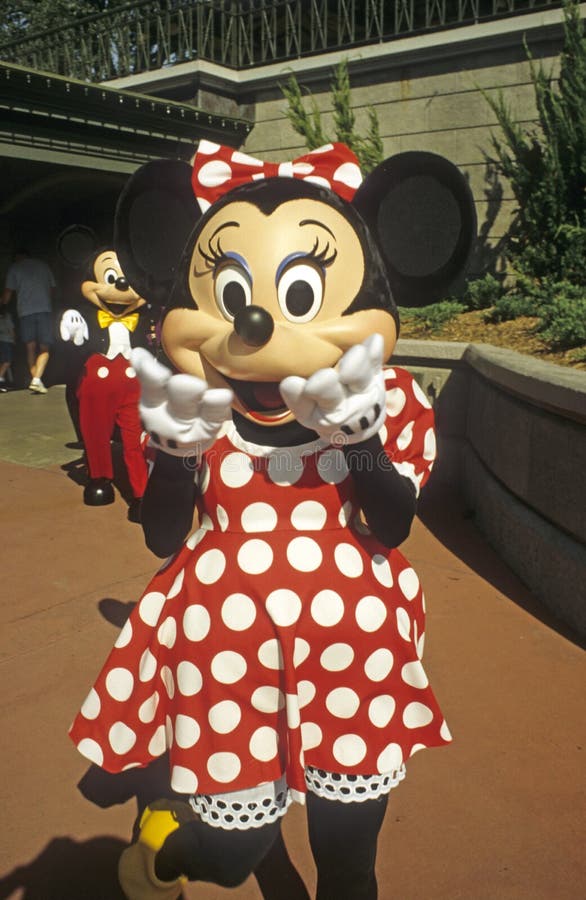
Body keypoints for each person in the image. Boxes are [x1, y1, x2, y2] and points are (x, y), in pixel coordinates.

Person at [69, 142, 475, 899]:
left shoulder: (387, 408)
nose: (253, 324)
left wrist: (360, 444)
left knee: (348, 860)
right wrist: (178, 455)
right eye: (228, 294)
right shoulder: (200, 415)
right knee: (230, 852)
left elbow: (392, 526)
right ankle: (172, 840)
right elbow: (162, 536)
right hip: (224, 660)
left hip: (355, 662)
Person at [1, 249, 56, 394]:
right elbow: (52, 290)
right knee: (45, 348)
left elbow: (7, 296)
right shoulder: (44, 266)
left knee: (30, 348)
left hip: (25, 312)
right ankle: (37, 380)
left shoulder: (15, 268)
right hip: (44, 309)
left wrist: (2, 304)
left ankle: (36, 380)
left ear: (17, 257)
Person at [0, 305, 15, 391]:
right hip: (7, 340)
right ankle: (0, 377)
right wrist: (14, 339)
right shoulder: (7, 316)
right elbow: (11, 329)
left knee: (2, 361)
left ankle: (2, 382)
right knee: (7, 361)